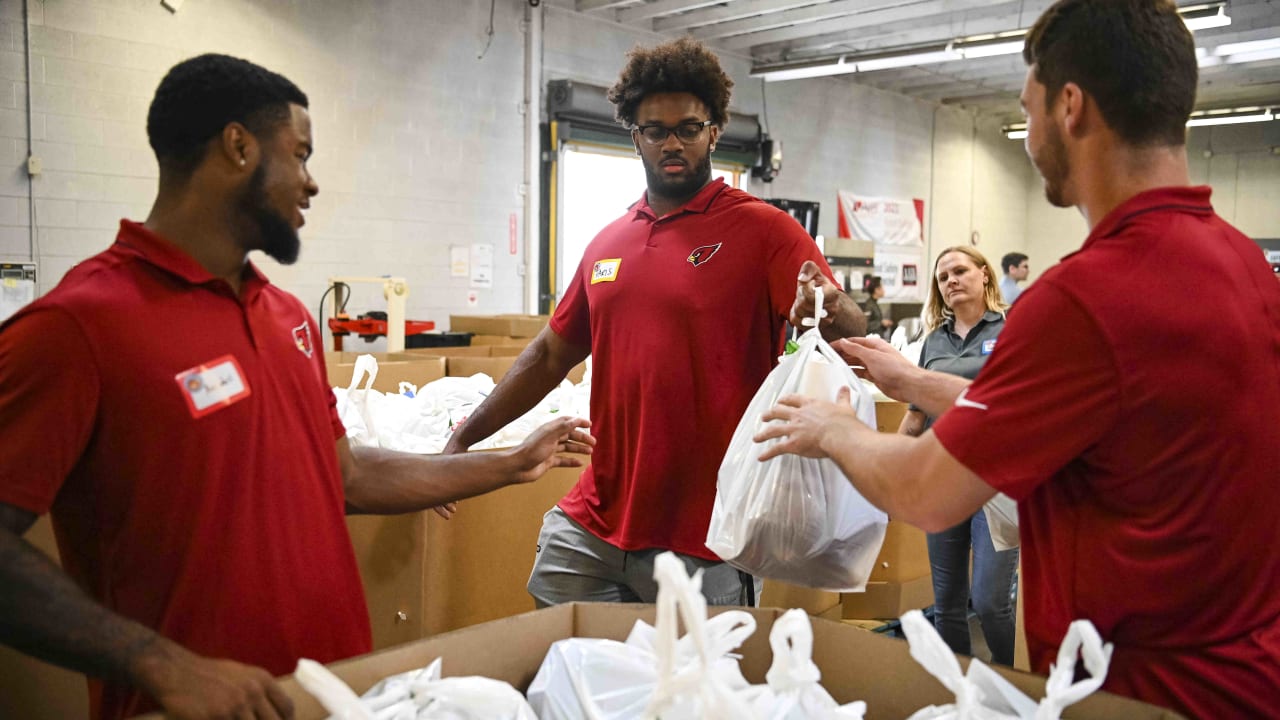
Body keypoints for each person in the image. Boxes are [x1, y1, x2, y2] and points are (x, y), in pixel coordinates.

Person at [0, 54, 594, 720]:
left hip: (331, 693)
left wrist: (507, 464)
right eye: (301, 156)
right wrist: (160, 664)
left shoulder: (286, 319)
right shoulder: (80, 325)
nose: (311, 184)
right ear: (238, 146)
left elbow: (345, 476)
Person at [765, 1, 1280, 716]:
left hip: (1137, 693)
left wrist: (832, 429)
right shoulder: (1243, 263)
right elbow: (1091, 418)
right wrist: (911, 379)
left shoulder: (1082, 297)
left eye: (1027, 108)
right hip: (1249, 674)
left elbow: (925, 490)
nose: (1030, 133)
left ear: (1070, 107)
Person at [443, 37, 865, 608]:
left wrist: (829, 307)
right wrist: (465, 436)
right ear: (634, 136)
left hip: (706, 536)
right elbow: (548, 355)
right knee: (560, 677)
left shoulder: (763, 231)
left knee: (694, 695)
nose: (672, 142)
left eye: (688, 128)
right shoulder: (608, 242)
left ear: (713, 131)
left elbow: (851, 324)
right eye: (654, 129)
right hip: (592, 525)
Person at [900, 247, 1017, 666]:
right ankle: (958, 693)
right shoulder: (933, 341)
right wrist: (896, 461)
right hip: (941, 479)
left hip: (994, 484)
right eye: (943, 276)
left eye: (960, 271)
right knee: (947, 604)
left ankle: (1015, 683)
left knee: (989, 601)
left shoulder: (1011, 330)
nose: (951, 280)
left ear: (984, 275)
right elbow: (917, 411)